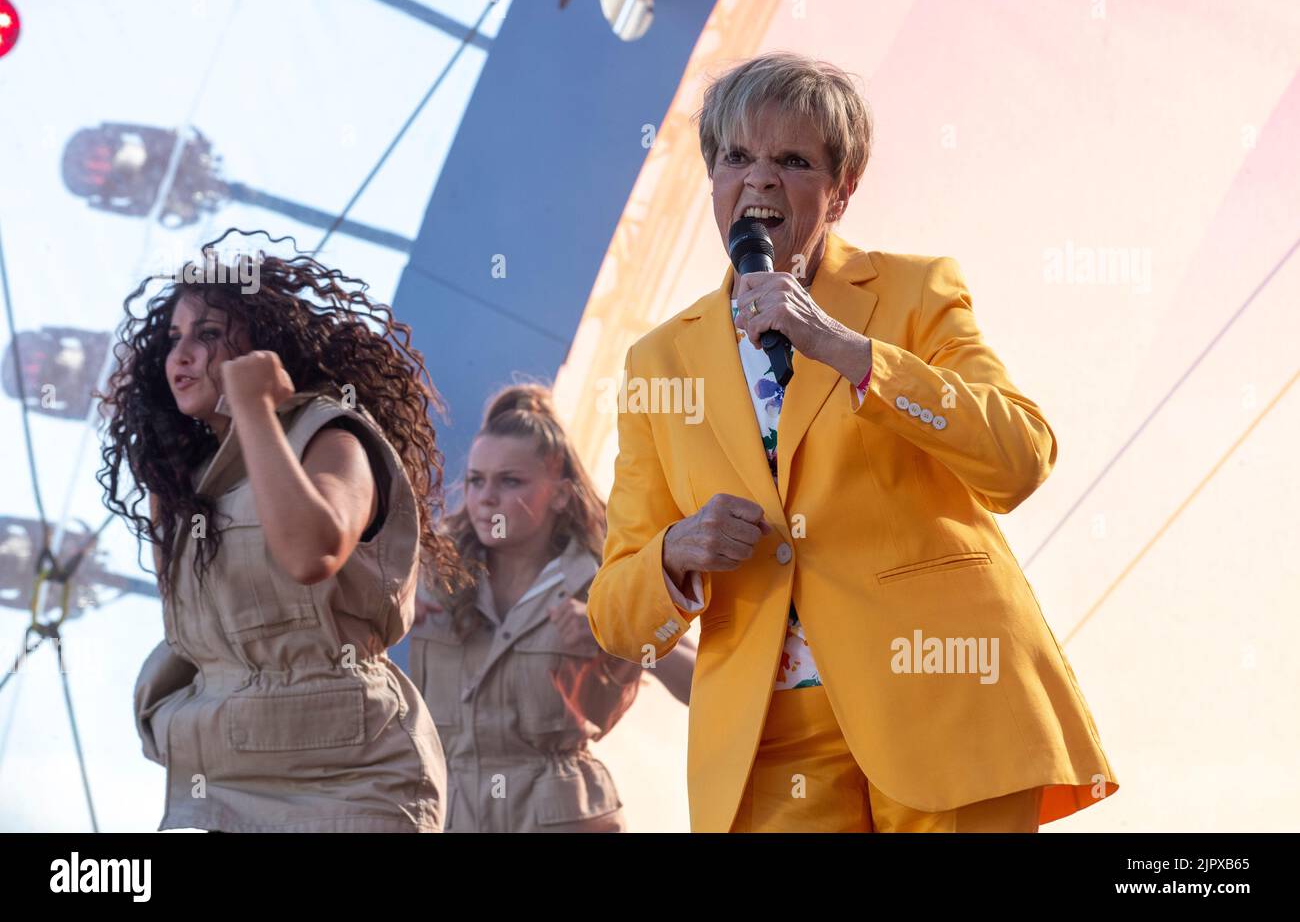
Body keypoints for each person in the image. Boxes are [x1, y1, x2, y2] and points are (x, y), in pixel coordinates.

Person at [586, 52, 1120, 832]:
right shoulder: (660, 362)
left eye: (793, 161)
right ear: (713, 180)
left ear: (842, 191)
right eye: (737, 157)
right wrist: (675, 552)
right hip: (768, 749)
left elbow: (1020, 457)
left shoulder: (913, 292)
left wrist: (849, 351)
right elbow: (614, 613)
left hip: (942, 701)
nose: (760, 181)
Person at [98, 234, 470, 832]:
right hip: (221, 786)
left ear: (264, 345)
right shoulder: (187, 489)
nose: (183, 355)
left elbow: (311, 550)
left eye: (209, 334)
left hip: (350, 781)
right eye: (174, 340)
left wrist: (253, 410)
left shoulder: (332, 437)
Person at [409, 383, 694, 831]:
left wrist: (617, 634)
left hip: (561, 817)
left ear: (560, 494)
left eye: (511, 481)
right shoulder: (428, 571)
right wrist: (389, 611)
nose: (486, 498)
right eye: (477, 480)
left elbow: (702, 680)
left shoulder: (608, 579)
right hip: (448, 813)